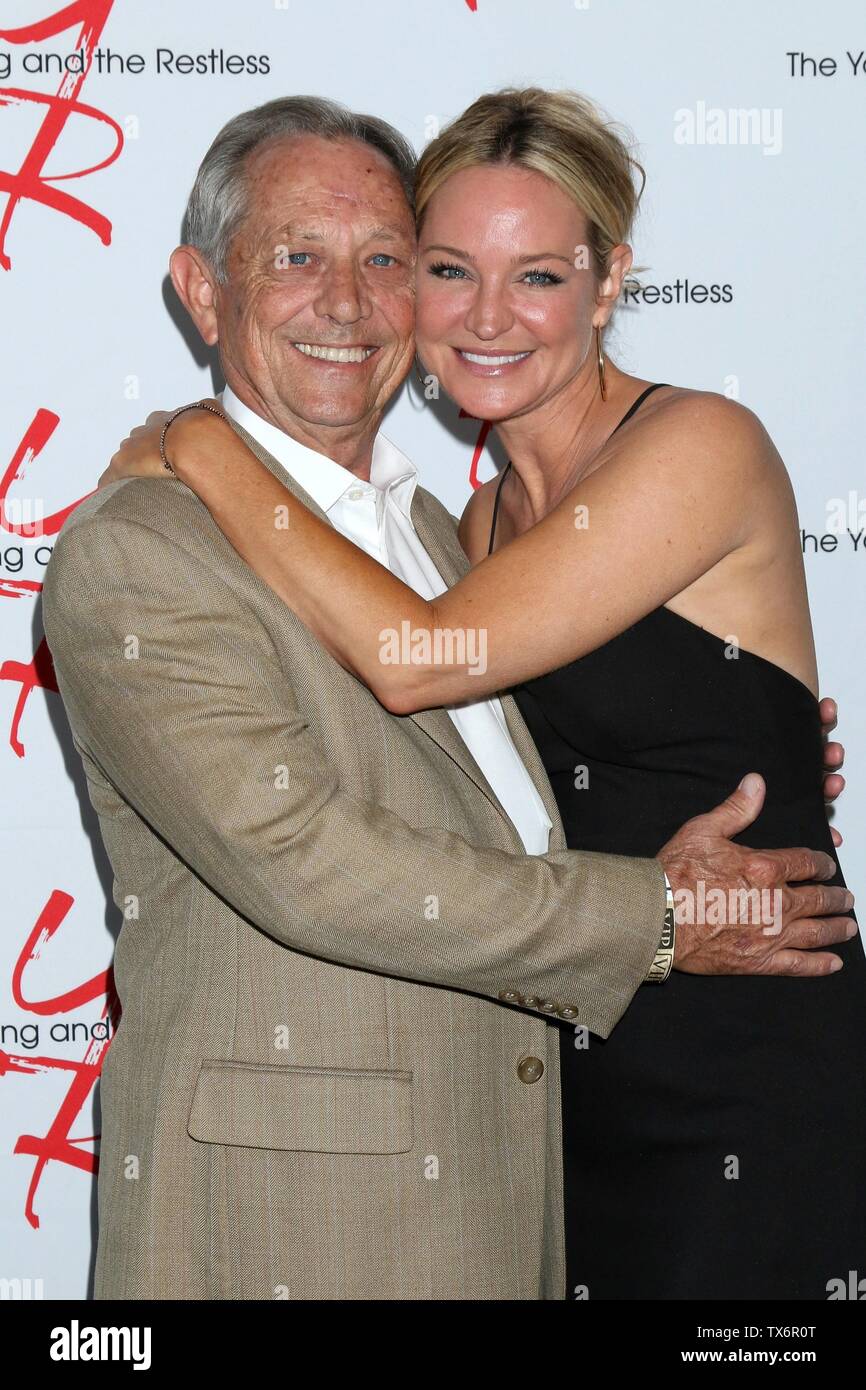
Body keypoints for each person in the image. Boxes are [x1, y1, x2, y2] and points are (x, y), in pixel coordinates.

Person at [102, 89, 864, 1301]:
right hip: (558, 1073)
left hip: (737, 1044)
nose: (489, 317)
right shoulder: (462, 527)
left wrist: (202, 445)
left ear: (607, 284)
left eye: (540, 277)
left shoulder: (695, 443)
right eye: (450, 268)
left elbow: (412, 659)